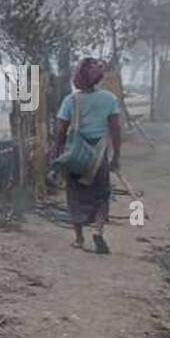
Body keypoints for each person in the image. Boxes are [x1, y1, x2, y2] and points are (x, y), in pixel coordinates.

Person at [52, 57, 121, 254]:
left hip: (75, 155)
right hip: (98, 156)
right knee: (102, 195)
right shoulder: (109, 99)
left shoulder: (70, 100)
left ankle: (79, 239)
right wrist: (116, 156)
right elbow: (115, 129)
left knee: (75, 196)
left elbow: (60, 132)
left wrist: (57, 157)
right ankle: (98, 230)